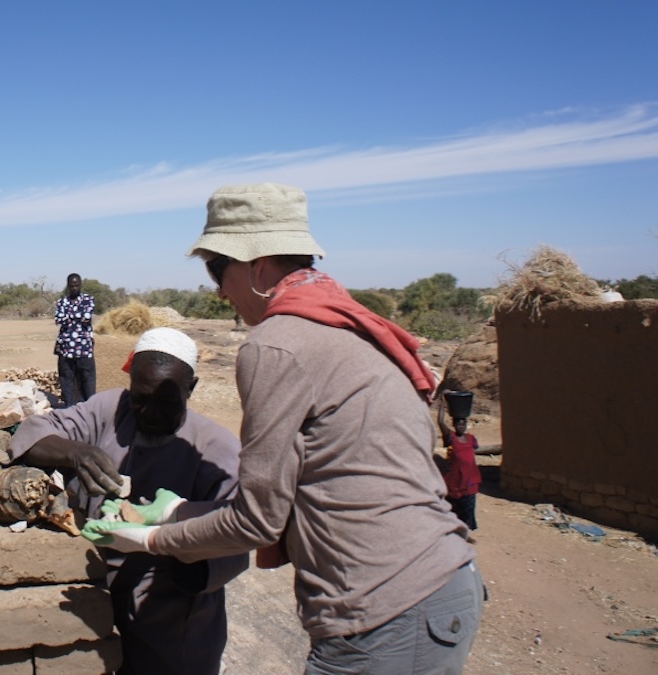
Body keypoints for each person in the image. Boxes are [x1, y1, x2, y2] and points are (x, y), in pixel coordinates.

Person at [83, 183, 483, 674]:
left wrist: (147, 540)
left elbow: (256, 522)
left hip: (385, 605)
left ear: (257, 266)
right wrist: (177, 510)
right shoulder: (347, 325)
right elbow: (312, 488)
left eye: (217, 270)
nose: (219, 291)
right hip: (435, 583)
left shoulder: (275, 345)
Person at [8, 327, 248, 675]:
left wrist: (162, 541)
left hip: (171, 626)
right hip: (94, 605)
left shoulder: (216, 450)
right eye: (141, 398)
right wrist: (77, 453)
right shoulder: (110, 409)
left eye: (166, 402)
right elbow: (32, 434)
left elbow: (235, 543)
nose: (149, 412)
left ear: (190, 388)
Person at [438, 394, 481, 535]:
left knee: (468, 508)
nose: (461, 426)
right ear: (454, 425)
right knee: (454, 507)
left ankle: (466, 533)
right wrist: (442, 404)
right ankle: (453, 532)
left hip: (470, 480)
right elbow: (440, 422)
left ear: (466, 425)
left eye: (463, 424)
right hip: (455, 480)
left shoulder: (471, 439)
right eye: (458, 424)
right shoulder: (452, 438)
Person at [54, 272, 96, 406]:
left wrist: (68, 316)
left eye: (76, 285)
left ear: (80, 285)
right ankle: (70, 408)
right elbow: (58, 319)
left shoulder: (88, 300)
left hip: (84, 348)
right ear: (68, 286)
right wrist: (77, 316)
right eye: (72, 286)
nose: (74, 288)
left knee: (87, 379)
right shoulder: (62, 302)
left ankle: (89, 408)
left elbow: (87, 317)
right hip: (65, 348)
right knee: (66, 379)